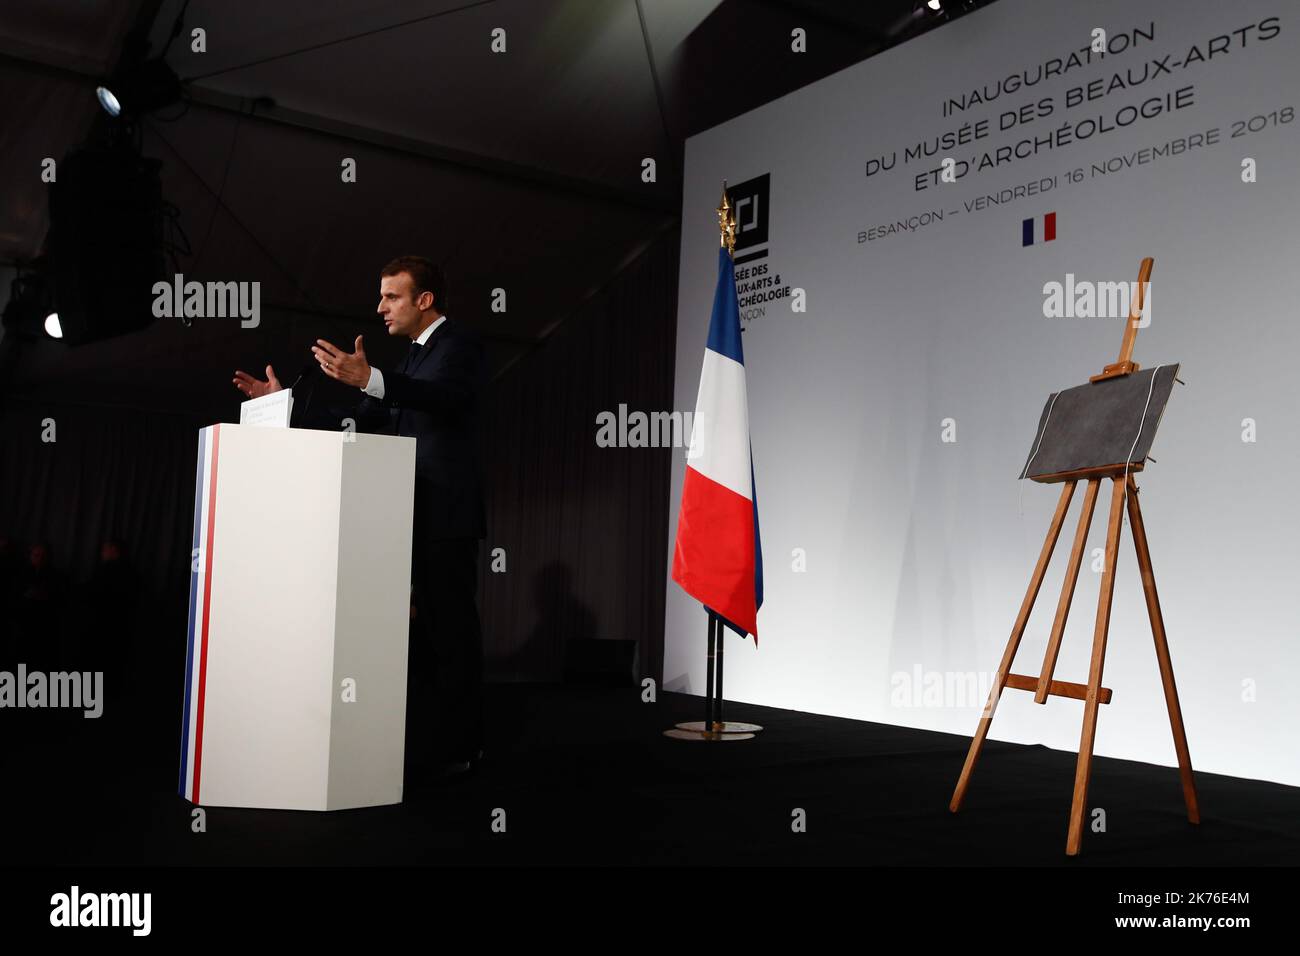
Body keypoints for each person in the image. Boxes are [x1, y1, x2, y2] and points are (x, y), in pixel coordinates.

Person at [233, 256, 487, 778]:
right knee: (414, 639)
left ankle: (463, 746)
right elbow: (362, 421)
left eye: (391, 296)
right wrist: (287, 406)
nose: (379, 307)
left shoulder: (458, 343)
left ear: (425, 300)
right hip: (399, 517)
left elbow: (445, 399)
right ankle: (424, 739)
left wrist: (373, 378)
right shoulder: (411, 361)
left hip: (444, 519)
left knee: (450, 633)